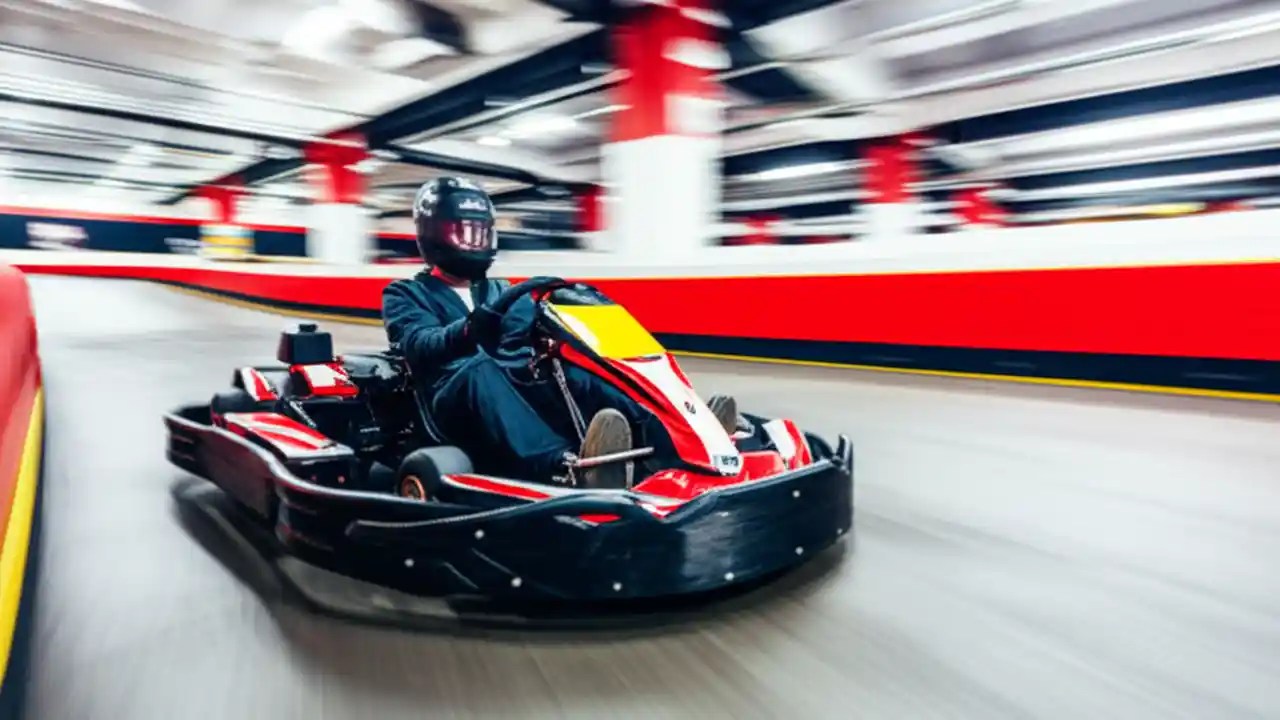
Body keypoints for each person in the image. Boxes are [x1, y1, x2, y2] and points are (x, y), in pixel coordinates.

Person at [382, 177, 645, 488]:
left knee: (574, 369)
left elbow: (524, 340)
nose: (474, 241)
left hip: (505, 381)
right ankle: (563, 467)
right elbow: (419, 344)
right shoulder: (405, 293)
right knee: (481, 368)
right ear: (432, 234)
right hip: (447, 398)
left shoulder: (499, 289)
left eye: (480, 233)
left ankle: (662, 440)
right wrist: (468, 331)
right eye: (463, 232)